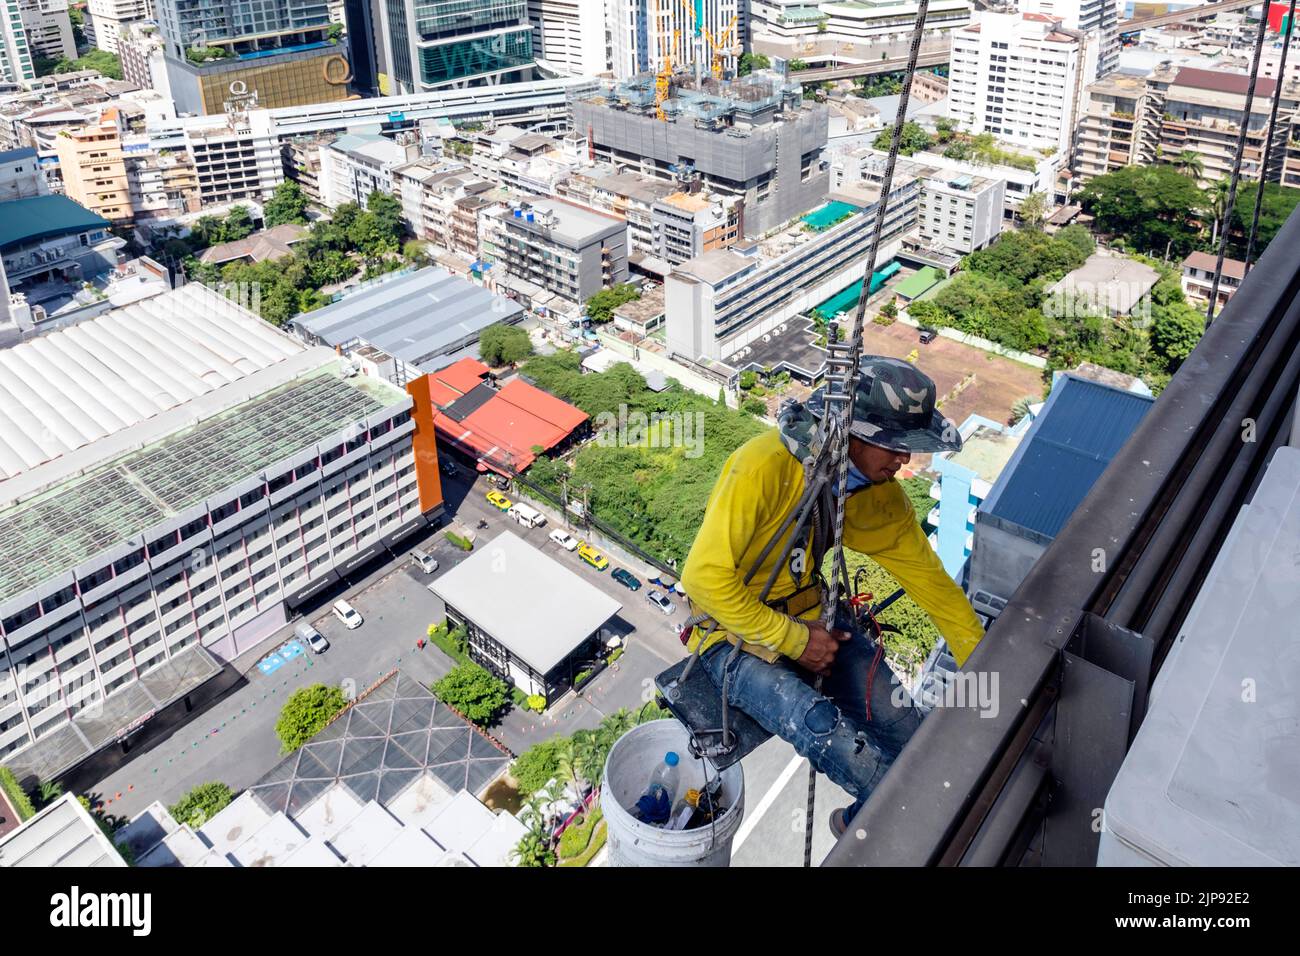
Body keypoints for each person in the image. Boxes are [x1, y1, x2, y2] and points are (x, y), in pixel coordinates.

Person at [679, 356, 985, 837]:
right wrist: (796, 641)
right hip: (732, 638)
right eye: (896, 446)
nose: (905, 460)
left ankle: (855, 824)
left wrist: (995, 673)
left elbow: (937, 591)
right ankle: (883, 832)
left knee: (913, 737)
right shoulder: (762, 466)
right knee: (840, 744)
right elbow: (703, 579)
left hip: (816, 621)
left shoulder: (877, 497)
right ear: (853, 435)